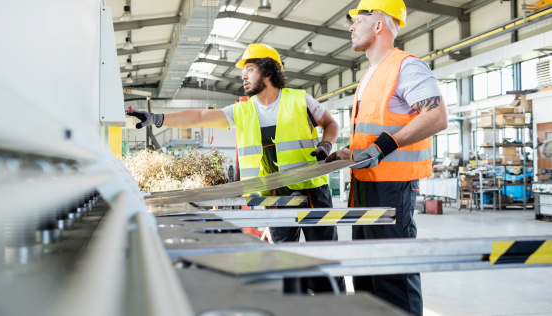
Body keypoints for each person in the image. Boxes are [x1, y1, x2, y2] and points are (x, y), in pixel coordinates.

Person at [127, 43, 345, 293]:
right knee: (284, 261)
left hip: (311, 190)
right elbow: (199, 117)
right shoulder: (242, 111)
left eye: (250, 69)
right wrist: (157, 118)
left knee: (324, 259)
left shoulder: (300, 99)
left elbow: (331, 123)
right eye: (243, 70)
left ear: (268, 72)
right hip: (273, 196)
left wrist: (326, 145)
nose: (243, 75)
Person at [325, 0, 448, 314]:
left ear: (378, 24)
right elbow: (374, 133)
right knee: (366, 276)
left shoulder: (405, 65)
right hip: (363, 186)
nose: (351, 27)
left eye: (357, 19)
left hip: (392, 188)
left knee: (394, 276)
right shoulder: (369, 76)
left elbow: (436, 116)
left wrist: (382, 146)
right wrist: (350, 154)